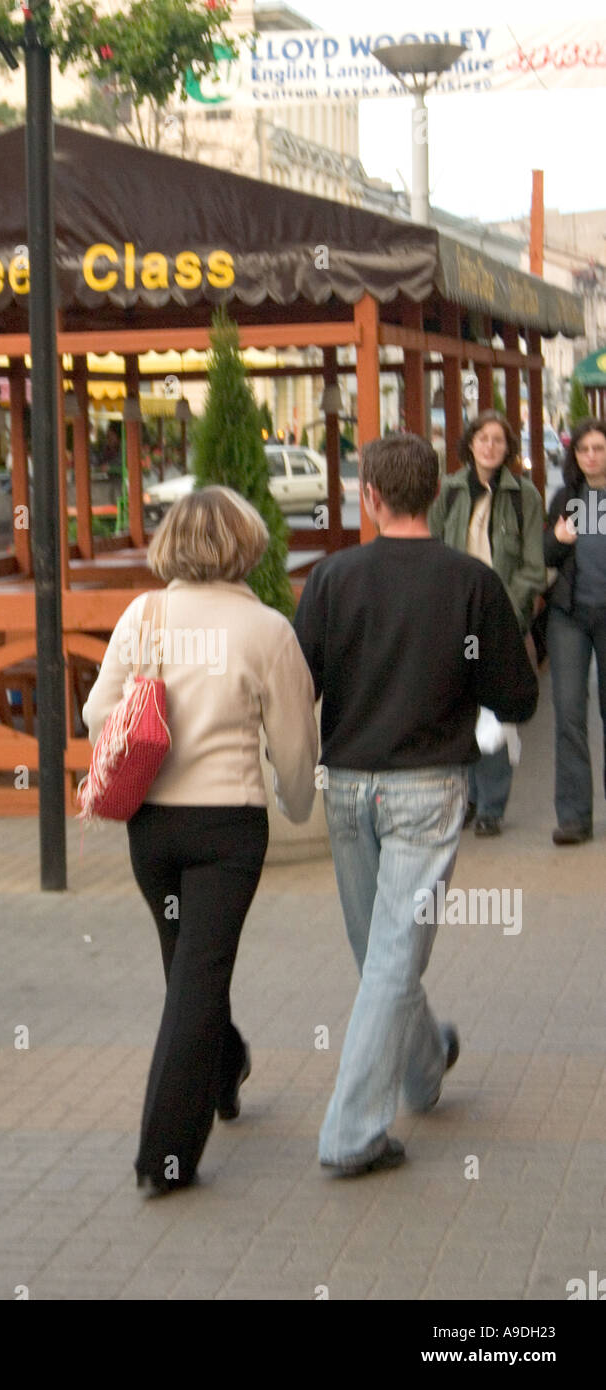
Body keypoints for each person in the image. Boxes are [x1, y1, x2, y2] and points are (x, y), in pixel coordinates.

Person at [294, 434, 538, 1177]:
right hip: (428, 788)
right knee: (391, 955)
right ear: (437, 494)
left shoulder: (333, 579)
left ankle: (420, 1072)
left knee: (381, 953)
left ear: (368, 495)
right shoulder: (470, 581)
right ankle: (356, 1131)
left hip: (347, 785)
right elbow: (517, 695)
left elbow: (298, 679)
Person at [82, 487, 318, 1196]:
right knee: (198, 976)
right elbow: (295, 744)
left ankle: (224, 1066)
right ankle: (167, 1156)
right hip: (226, 829)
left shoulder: (143, 613)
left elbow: (97, 713)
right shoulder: (266, 628)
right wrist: (299, 805)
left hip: (151, 825)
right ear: (247, 545)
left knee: (186, 968)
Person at [428, 410, 545, 836]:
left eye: (498, 440)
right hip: (457, 617)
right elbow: (433, 549)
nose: (490, 446)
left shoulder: (523, 496)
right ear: (471, 445)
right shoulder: (452, 491)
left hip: (501, 618)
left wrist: (506, 613)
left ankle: (492, 805)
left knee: (497, 711)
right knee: (459, 709)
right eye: (483, 439)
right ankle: (468, 798)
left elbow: (534, 566)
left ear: (508, 448)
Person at [543, 417, 606, 845]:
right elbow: (543, 553)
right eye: (583, 449)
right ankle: (574, 817)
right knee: (568, 714)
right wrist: (559, 539)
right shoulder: (568, 498)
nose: (590, 456)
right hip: (569, 615)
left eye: (598, 448)